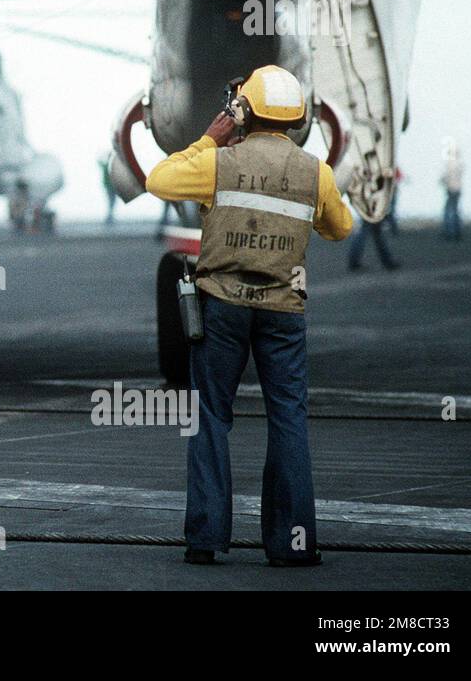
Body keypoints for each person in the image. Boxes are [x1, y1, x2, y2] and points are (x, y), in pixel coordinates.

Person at [146, 65, 353, 567]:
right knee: (288, 419)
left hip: (222, 309)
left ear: (243, 110)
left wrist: (208, 140)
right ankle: (291, 545)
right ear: (296, 117)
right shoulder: (314, 173)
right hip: (284, 312)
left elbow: (158, 180)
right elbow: (340, 228)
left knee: (211, 417)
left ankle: (206, 539)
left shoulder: (219, 163)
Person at [440, 139, 463, 241]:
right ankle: (457, 231)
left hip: (451, 189)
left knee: (449, 211)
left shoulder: (450, 164)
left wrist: (443, 181)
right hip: (458, 188)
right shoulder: (459, 163)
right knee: (456, 210)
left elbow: (445, 177)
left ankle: (449, 232)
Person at [98, 152, 116, 226]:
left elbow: (99, 162)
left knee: (111, 203)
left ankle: (109, 218)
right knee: (111, 203)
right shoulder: (111, 167)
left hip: (111, 188)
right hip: (111, 188)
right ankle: (109, 218)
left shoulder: (106, 166)